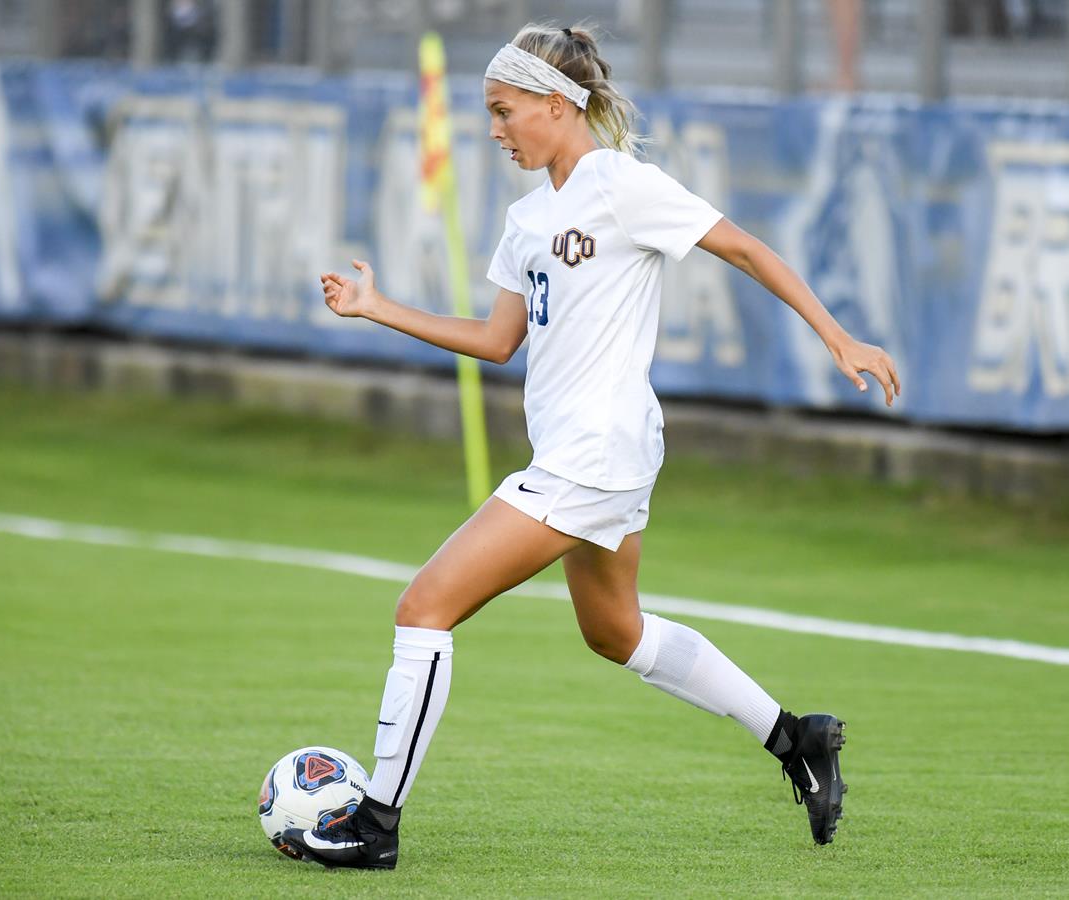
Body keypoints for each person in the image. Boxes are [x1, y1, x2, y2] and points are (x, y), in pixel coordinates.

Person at [276, 22, 901, 872]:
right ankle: (797, 737)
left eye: (503, 111)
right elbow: (499, 341)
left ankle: (375, 823)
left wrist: (839, 337)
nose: (494, 130)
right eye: (488, 114)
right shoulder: (528, 218)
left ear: (555, 102)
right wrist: (375, 307)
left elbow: (744, 247)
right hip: (590, 455)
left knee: (423, 608)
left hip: (593, 455)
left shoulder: (620, 185)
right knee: (616, 633)